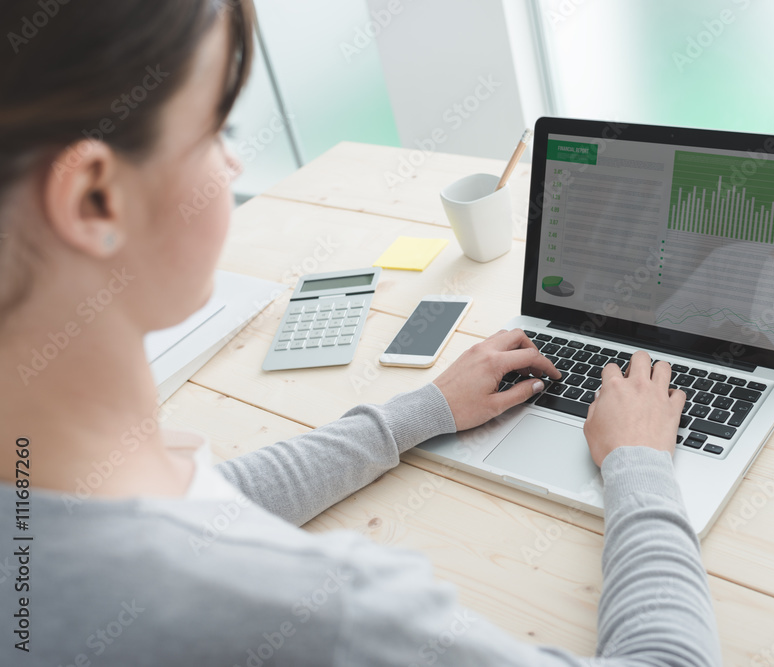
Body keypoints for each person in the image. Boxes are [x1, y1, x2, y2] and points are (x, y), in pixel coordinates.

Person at [0, 1, 722, 664]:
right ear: (95, 197)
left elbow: (201, 507)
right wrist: (639, 460)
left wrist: (422, 410)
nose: (234, 163)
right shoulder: (335, 616)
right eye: (217, 128)